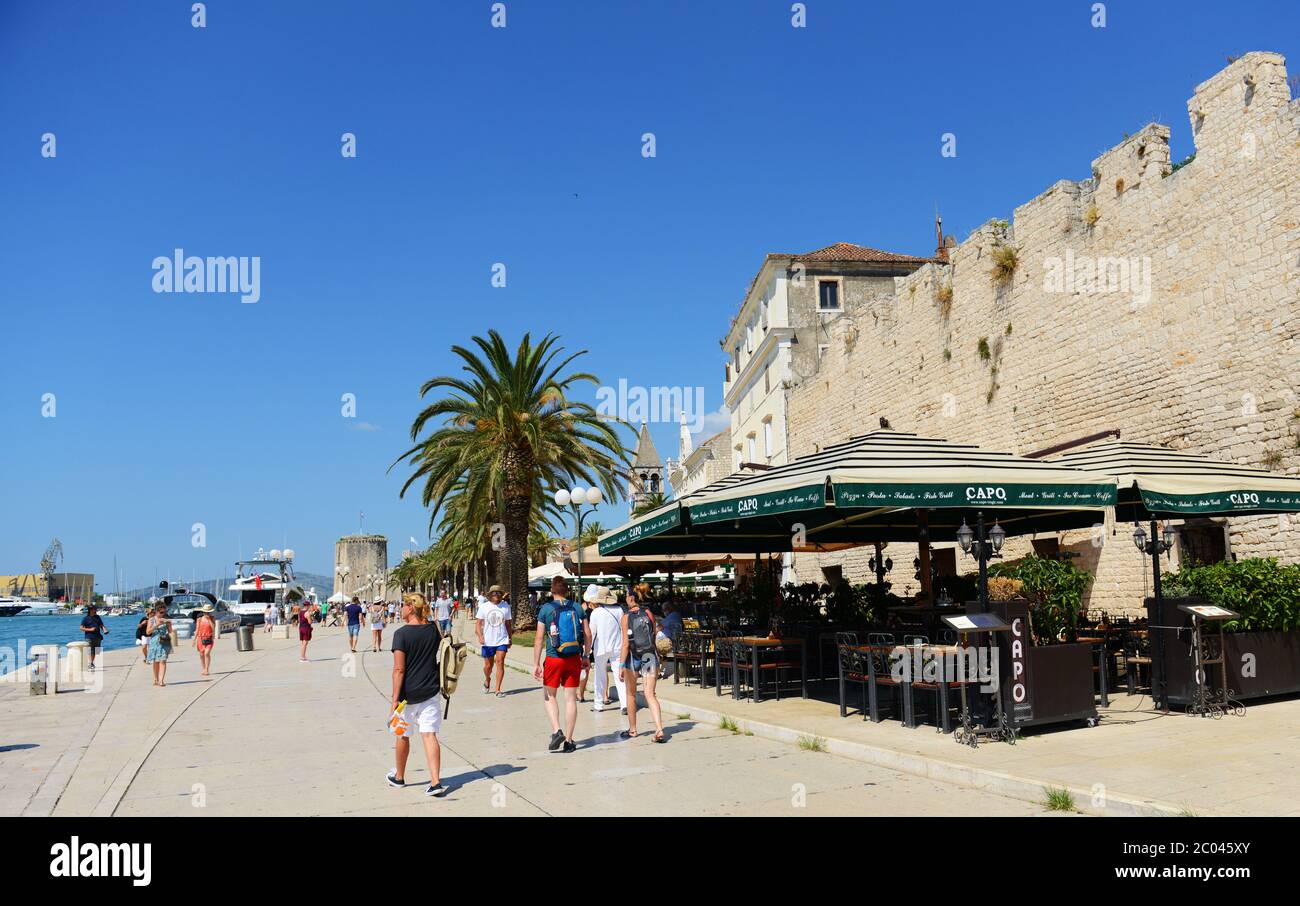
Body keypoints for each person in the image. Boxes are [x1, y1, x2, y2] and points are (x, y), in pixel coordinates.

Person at [387, 592, 447, 797]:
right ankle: (435, 782)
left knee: (402, 735)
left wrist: (394, 700)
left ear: (411, 608)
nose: (401, 609)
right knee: (429, 735)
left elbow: (399, 670)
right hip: (430, 691)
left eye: (404, 605)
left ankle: (400, 777)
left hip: (406, 696)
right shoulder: (433, 630)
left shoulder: (401, 634)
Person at [533, 577, 585, 753]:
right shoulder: (577, 607)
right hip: (574, 657)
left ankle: (557, 730)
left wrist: (536, 663)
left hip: (554, 658)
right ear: (567, 590)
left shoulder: (546, 609)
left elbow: (539, 638)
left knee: (550, 696)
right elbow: (588, 633)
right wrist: (585, 656)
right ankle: (569, 741)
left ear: (552, 591)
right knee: (570, 699)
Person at [620, 591, 665, 743]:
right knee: (650, 694)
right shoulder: (648, 613)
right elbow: (653, 634)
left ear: (630, 598)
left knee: (631, 694)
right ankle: (659, 729)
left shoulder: (626, 617)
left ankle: (633, 730)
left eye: (626, 596)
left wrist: (620, 664)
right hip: (649, 655)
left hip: (632, 658)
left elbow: (625, 643)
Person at [587, 586, 626, 713]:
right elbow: (622, 629)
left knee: (599, 676)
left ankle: (598, 704)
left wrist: (587, 652)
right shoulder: (619, 610)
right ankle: (624, 704)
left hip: (601, 648)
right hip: (617, 646)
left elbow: (591, 633)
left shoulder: (596, 612)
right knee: (619, 676)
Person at [475, 585, 512, 696]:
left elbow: (508, 624)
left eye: (498, 593)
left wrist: (510, 637)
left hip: (502, 639)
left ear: (501, 594)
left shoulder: (505, 606)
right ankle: (487, 679)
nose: (496, 595)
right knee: (488, 666)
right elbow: (478, 624)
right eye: (494, 593)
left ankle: (498, 689)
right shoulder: (484, 607)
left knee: (500, 662)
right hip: (488, 641)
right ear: (490, 595)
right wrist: (480, 636)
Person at [144, 603, 173, 686]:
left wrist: (169, 624)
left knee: (163, 661)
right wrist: (157, 625)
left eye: (164, 612)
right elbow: (148, 632)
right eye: (161, 612)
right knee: (156, 661)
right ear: (156, 612)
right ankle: (156, 679)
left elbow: (170, 631)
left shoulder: (166, 619)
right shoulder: (151, 620)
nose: (163, 614)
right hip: (155, 642)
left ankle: (161, 680)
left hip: (164, 641)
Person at [79, 604, 108, 671]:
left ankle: (91, 662)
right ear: (90, 610)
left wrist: (105, 630)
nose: (95, 610)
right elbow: (81, 628)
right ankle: (91, 663)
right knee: (89, 650)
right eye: (94, 609)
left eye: (95, 608)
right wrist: (90, 629)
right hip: (89, 637)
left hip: (98, 636)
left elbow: (101, 625)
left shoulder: (97, 617)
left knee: (96, 651)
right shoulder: (85, 618)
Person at [193, 603, 217, 676]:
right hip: (200, 638)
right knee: (201, 654)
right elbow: (197, 629)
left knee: (206, 653)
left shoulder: (212, 618)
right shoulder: (199, 619)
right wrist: (194, 639)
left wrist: (209, 619)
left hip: (209, 638)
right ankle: (203, 668)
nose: (206, 613)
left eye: (208, 612)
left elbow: (213, 628)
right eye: (205, 612)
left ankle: (207, 669)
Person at [299, 598, 314, 662]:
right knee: (305, 643)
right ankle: (302, 657)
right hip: (306, 628)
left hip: (301, 627)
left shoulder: (300, 612)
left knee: (303, 643)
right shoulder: (307, 613)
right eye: (309, 606)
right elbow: (310, 622)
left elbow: (300, 620)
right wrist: (311, 617)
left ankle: (303, 656)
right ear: (307, 606)